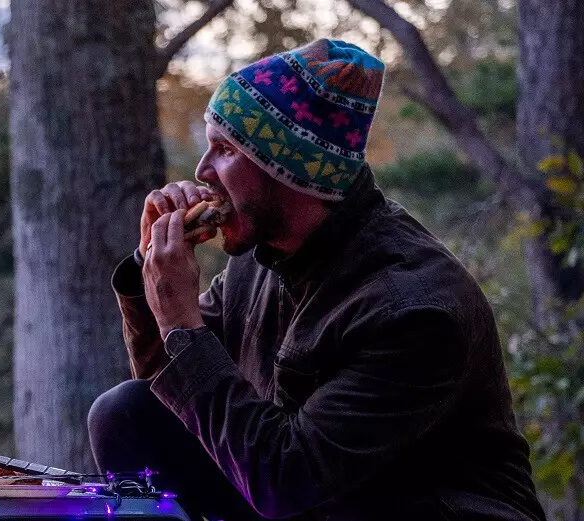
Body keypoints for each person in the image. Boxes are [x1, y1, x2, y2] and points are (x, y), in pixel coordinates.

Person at [87, 39, 546, 521]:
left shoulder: (414, 309)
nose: (202, 172)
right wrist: (149, 276)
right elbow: (186, 394)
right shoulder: (262, 256)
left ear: (287, 169)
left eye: (224, 150)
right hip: (311, 494)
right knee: (127, 414)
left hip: (415, 508)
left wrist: (181, 321)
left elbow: (287, 479)